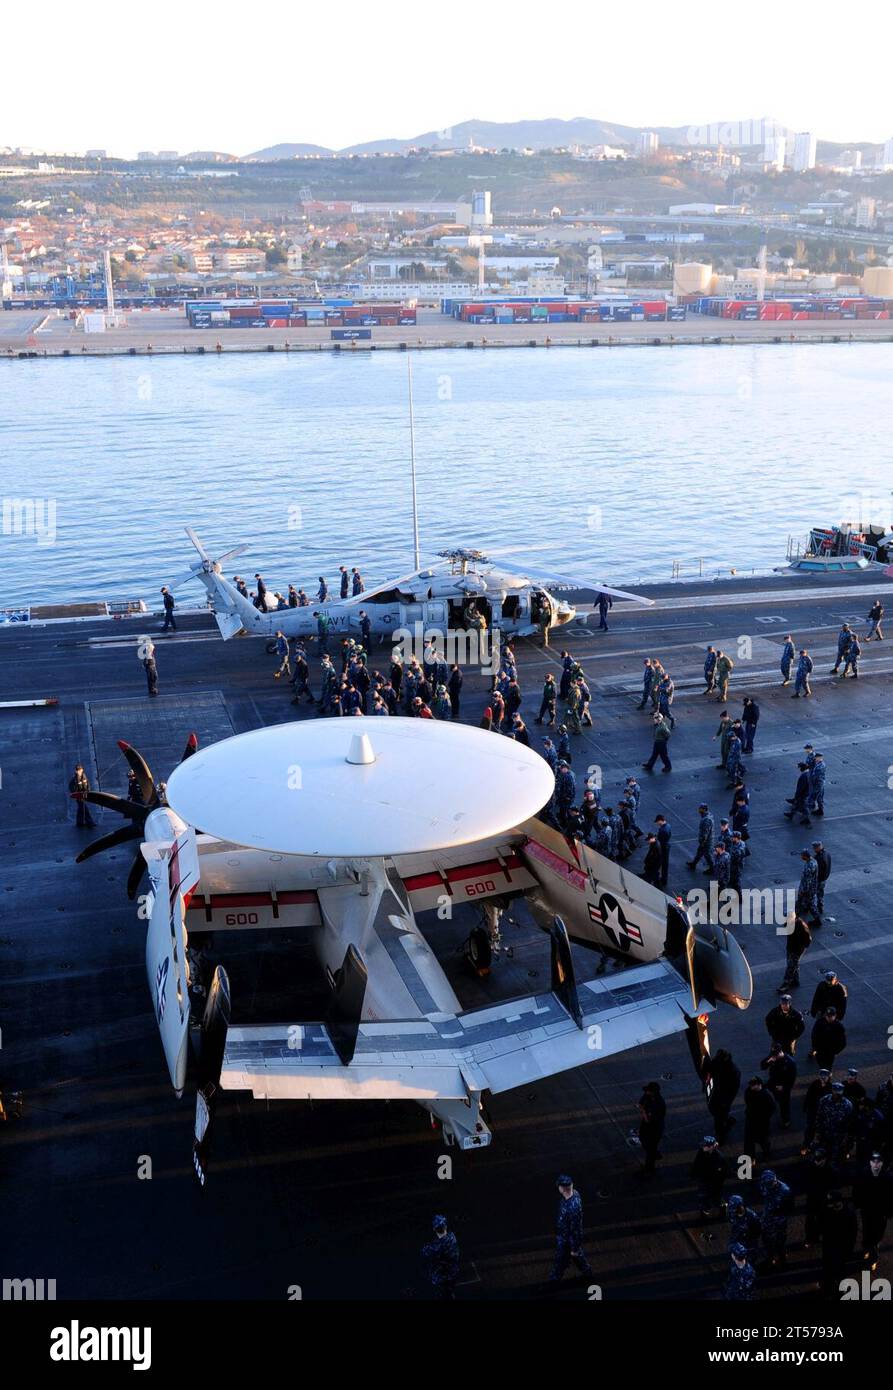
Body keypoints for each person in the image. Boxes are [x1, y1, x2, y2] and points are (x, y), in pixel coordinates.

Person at [549, 1175, 594, 1284]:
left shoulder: (573, 1207)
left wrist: (574, 1247)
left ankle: (553, 1281)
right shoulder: (574, 1194)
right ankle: (588, 1273)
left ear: (562, 1188)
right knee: (577, 1257)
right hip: (565, 1235)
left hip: (567, 1238)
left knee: (561, 1259)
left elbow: (576, 1229)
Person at [854, 1153, 892, 1270]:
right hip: (867, 1209)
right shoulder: (864, 1174)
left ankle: (872, 1257)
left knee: (876, 1236)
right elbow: (857, 1191)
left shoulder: (888, 1177)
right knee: (867, 1231)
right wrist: (858, 1204)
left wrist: (889, 1212)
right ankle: (867, 1249)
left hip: (881, 1212)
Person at [821, 1191, 857, 1298]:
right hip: (833, 1244)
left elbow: (852, 1232)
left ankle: (834, 1287)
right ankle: (831, 1286)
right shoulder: (847, 1211)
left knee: (837, 1268)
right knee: (832, 1267)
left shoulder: (846, 1213)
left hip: (839, 1245)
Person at [703, 1048, 741, 1142]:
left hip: (723, 1097)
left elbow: (733, 1089)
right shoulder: (723, 1064)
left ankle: (721, 1135)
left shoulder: (732, 1071)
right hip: (719, 1094)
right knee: (720, 1114)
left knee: (719, 1117)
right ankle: (726, 1122)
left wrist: (726, 1101)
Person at [758, 1169, 792, 1270]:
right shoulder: (765, 1185)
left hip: (779, 1219)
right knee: (766, 1238)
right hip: (768, 1216)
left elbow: (789, 1207)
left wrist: (779, 1213)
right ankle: (770, 1258)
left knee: (780, 1241)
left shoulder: (785, 1191)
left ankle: (782, 1261)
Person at [803, 1148, 836, 1248]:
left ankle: (824, 1237)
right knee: (810, 1220)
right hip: (813, 1198)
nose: (817, 1161)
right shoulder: (810, 1167)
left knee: (825, 1219)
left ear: (825, 1159)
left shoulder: (830, 1169)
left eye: (819, 1159)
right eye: (816, 1159)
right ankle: (810, 1238)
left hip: (825, 1199)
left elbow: (833, 1185)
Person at [422, 1215, 459, 1300]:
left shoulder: (436, 1246)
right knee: (450, 1294)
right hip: (453, 1274)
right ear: (445, 1226)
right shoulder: (452, 1237)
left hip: (442, 1279)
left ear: (434, 1229)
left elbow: (424, 1252)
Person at [761, 1043, 796, 1128]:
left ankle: (786, 1120)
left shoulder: (790, 1063)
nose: (774, 1057)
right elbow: (762, 1066)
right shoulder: (772, 1057)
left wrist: (784, 1087)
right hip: (773, 1082)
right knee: (766, 1094)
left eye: (776, 1055)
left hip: (783, 1085)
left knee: (784, 1103)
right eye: (773, 1055)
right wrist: (768, 1062)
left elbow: (792, 1080)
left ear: (781, 1052)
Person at [691, 1135, 727, 1215]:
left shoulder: (719, 1158)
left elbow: (723, 1172)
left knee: (716, 1196)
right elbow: (696, 1163)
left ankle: (722, 1206)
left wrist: (719, 1183)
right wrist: (694, 1174)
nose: (703, 1147)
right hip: (704, 1178)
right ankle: (705, 1210)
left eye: (705, 1146)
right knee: (703, 1195)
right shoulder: (701, 1152)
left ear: (711, 1147)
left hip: (714, 1181)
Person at [743, 1076, 775, 1159]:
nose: (751, 1087)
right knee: (749, 1141)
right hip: (751, 1120)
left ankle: (766, 1151)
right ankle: (752, 1157)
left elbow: (772, 1108)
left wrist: (764, 1117)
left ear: (759, 1085)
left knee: (763, 1140)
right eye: (751, 1085)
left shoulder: (766, 1095)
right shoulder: (749, 1091)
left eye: (753, 1085)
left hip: (761, 1123)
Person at [802, 1071, 834, 1154]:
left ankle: (821, 1148)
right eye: (821, 1076)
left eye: (825, 1077)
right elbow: (808, 1095)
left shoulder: (830, 1087)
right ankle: (806, 1145)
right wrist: (806, 1107)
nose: (823, 1078)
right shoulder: (814, 1084)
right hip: (813, 1110)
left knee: (823, 1130)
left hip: (824, 1113)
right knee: (810, 1129)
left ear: (828, 1078)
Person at [638, 1081, 666, 1175]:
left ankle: (649, 1169)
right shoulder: (647, 1096)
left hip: (655, 1129)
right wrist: (644, 1112)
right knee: (643, 1139)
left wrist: (644, 1113)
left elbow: (649, 1119)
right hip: (646, 1126)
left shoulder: (659, 1104)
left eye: (649, 1091)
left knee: (650, 1148)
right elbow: (641, 1104)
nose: (646, 1092)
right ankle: (654, 1154)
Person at [779, 913, 812, 991]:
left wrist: (802, 948)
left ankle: (786, 983)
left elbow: (808, 939)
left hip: (797, 949)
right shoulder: (790, 922)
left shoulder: (801, 926)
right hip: (791, 947)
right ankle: (795, 980)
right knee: (794, 964)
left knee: (791, 966)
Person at [726, 1195, 762, 1261]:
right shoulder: (732, 1212)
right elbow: (731, 1219)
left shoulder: (752, 1217)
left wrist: (748, 1237)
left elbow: (757, 1231)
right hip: (737, 1238)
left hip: (749, 1241)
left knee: (750, 1259)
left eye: (735, 1209)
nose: (733, 1211)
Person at [811, 1007, 847, 1071]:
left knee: (828, 1067)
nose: (829, 1018)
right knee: (821, 1066)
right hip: (820, 1050)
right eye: (828, 1016)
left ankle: (827, 1078)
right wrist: (815, 1048)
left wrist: (836, 1052)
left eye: (831, 1016)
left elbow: (843, 1042)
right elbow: (814, 1036)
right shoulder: (819, 1023)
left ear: (835, 1016)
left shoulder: (839, 1026)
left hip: (830, 1052)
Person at [687, 804, 715, 871]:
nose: (699, 810)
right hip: (706, 840)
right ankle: (694, 863)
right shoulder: (706, 817)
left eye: (700, 809)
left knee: (707, 855)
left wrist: (703, 841)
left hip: (706, 841)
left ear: (704, 809)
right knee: (700, 852)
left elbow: (705, 832)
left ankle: (712, 868)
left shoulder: (706, 820)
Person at [811, 841, 831, 925]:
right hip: (824, 879)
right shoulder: (827, 854)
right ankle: (820, 906)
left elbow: (816, 870)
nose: (814, 849)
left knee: (812, 894)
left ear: (818, 847)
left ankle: (814, 910)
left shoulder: (819, 858)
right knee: (821, 893)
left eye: (815, 848)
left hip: (818, 880)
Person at [654, 815, 671, 887]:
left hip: (663, 848)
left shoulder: (663, 830)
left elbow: (661, 841)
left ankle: (663, 880)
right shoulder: (668, 825)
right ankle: (664, 879)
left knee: (663, 864)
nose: (657, 823)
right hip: (667, 846)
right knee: (664, 864)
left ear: (661, 820)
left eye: (658, 822)